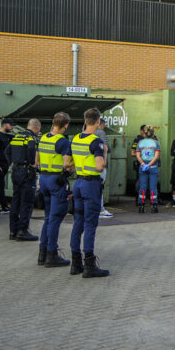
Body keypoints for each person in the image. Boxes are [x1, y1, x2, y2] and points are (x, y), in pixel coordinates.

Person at [69, 108, 110, 278]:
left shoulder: (75, 138)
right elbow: (100, 166)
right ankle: (89, 265)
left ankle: (75, 263)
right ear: (98, 121)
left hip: (78, 183)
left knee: (78, 223)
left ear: (85, 120)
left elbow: (68, 164)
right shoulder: (95, 141)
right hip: (91, 185)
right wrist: (104, 153)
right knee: (90, 224)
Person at [37, 112, 74, 267]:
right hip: (56, 181)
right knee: (55, 218)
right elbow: (66, 164)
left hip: (44, 179)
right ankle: (52, 254)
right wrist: (72, 167)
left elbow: (36, 160)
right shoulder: (63, 142)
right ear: (66, 125)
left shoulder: (43, 138)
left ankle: (42, 253)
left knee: (48, 217)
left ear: (53, 123)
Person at [8, 119, 41, 242]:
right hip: (26, 172)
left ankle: (13, 231)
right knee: (26, 202)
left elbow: (7, 151)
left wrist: (14, 162)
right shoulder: (31, 138)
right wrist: (32, 163)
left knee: (15, 201)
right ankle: (23, 231)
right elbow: (32, 149)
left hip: (16, 171)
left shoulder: (17, 137)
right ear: (36, 127)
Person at [136, 126, 161, 213]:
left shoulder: (140, 143)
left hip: (142, 167)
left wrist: (143, 164)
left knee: (143, 186)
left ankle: (141, 206)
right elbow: (156, 156)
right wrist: (149, 165)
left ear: (144, 132)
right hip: (153, 167)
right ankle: (154, 206)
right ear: (153, 133)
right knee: (153, 187)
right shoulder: (156, 143)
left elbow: (138, 155)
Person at [94, 118, 114, 219]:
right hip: (100, 163)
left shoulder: (86, 133)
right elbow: (106, 148)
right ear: (101, 124)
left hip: (89, 165)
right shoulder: (101, 133)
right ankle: (100, 210)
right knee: (100, 188)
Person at [130, 125, 147, 196]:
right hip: (141, 163)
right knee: (140, 181)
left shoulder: (153, 138)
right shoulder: (138, 139)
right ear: (141, 131)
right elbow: (132, 153)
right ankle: (139, 197)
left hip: (150, 163)